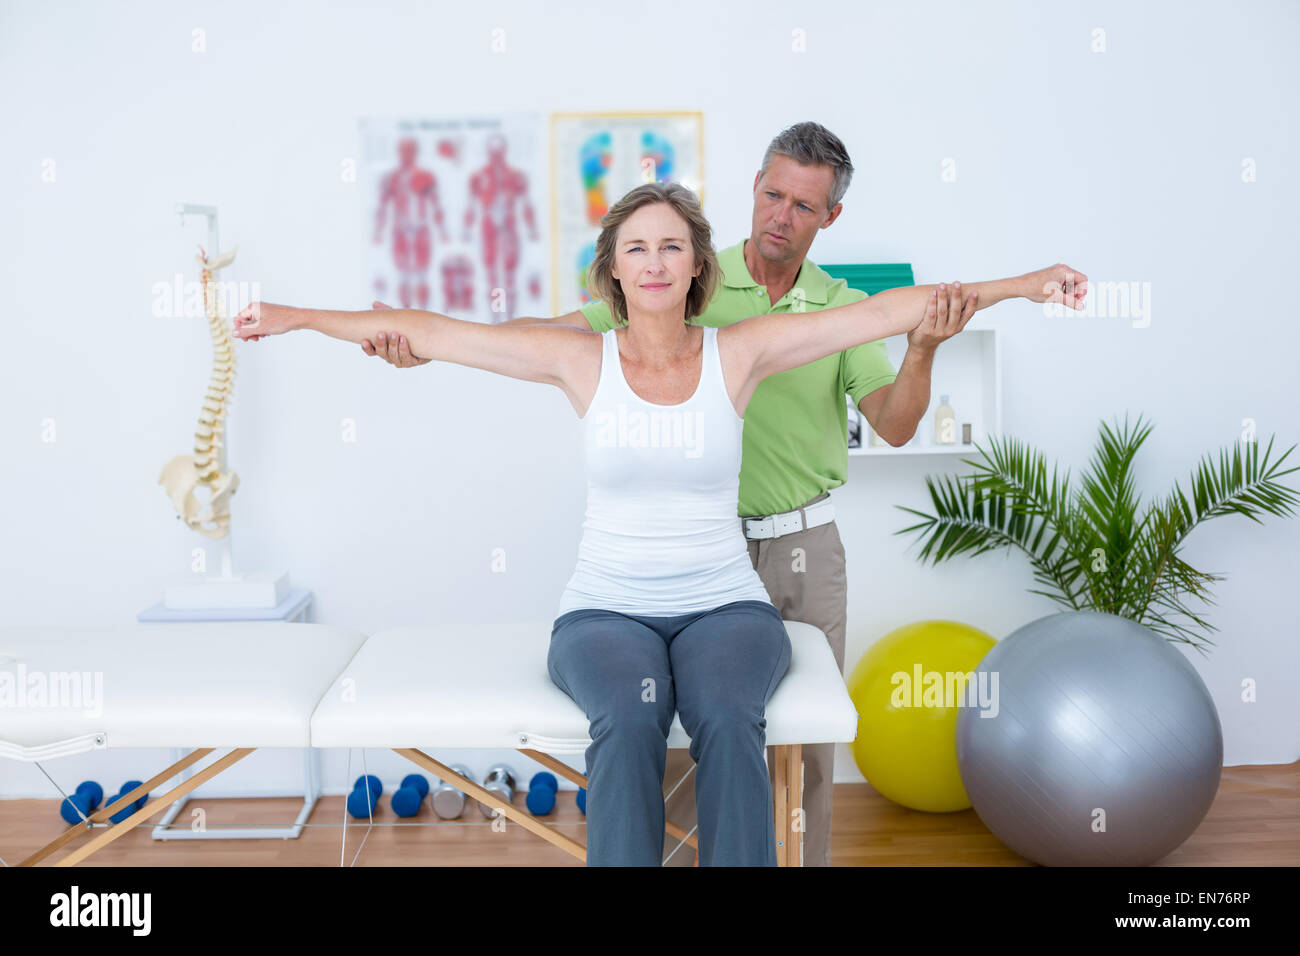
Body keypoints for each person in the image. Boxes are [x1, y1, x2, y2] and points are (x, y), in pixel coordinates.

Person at [359, 122, 1088, 866]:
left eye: (803, 205)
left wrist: (938, 340)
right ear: (754, 189)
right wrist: (430, 348)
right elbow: (552, 338)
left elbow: (896, 425)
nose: (781, 214)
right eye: (772, 193)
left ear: (828, 217)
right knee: (665, 746)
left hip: (800, 549)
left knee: (797, 758)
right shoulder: (680, 273)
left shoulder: (833, 308)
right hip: (690, 552)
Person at [231, 180, 982, 866]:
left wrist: (1027, 287)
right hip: (606, 610)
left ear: (696, 268)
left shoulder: (741, 351)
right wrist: (294, 319)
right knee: (627, 719)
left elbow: (882, 313)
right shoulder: (581, 358)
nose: (654, 262)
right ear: (614, 270)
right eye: (636, 249)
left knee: (727, 716)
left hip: (726, 605)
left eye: (671, 246)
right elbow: (436, 329)